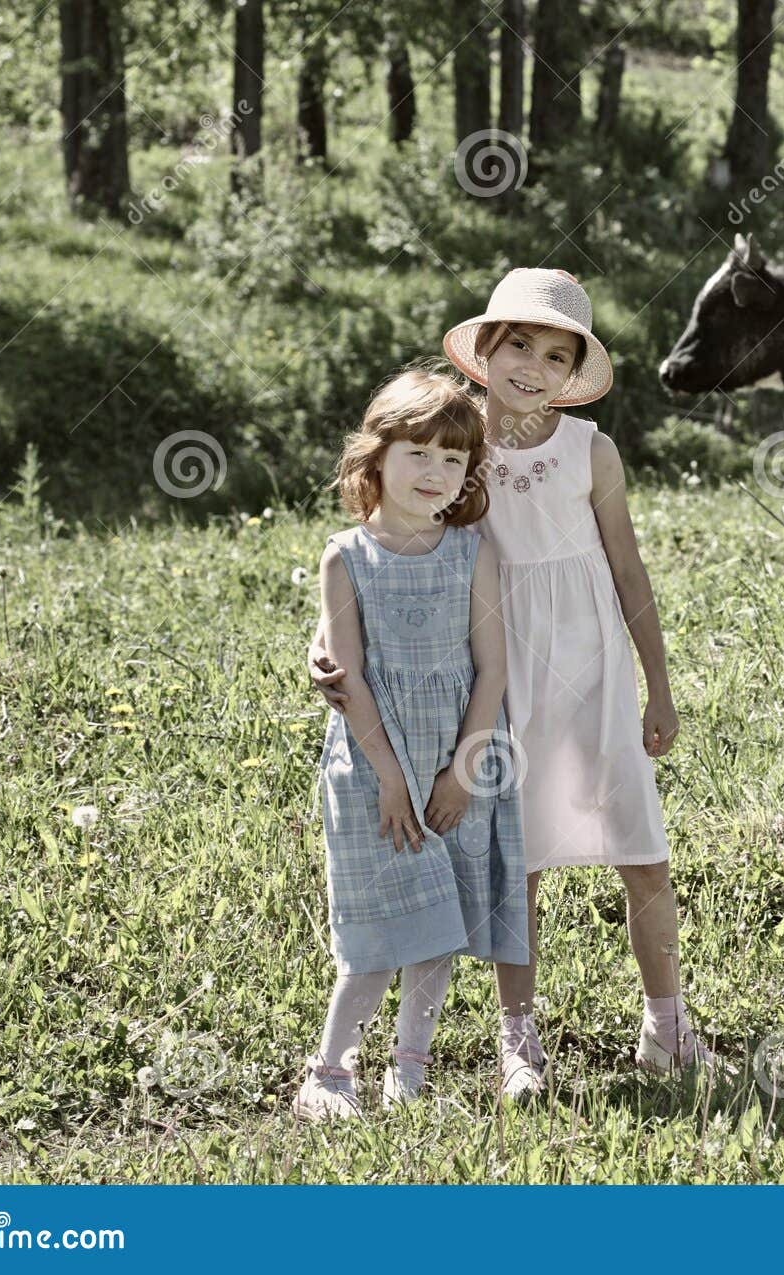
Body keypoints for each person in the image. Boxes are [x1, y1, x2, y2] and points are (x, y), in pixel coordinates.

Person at [310, 269, 714, 1103]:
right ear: (485, 351)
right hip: (495, 674)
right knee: (515, 862)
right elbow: (384, 546)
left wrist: (659, 685)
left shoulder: (590, 450)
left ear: (573, 375)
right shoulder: (454, 444)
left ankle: (667, 1027)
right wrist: (325, 640)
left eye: (555, 355)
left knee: (642, 854)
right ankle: (518, 1042)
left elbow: (629, 567)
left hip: (593, 661)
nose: (533, 365)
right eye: (519, 344)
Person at [294, 366, 529, 1122]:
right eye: (417, 454)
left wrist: (464, 772)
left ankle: (411, 1072)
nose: (435, 473)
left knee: (442, 927)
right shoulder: (346, 557)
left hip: (458, 759)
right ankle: (329, 1074)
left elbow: (493, 669)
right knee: (380, 927)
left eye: (453, 460)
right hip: (373, 767)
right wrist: (391, 778)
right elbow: (350, 678)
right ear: (377, 458)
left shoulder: (472, 552)